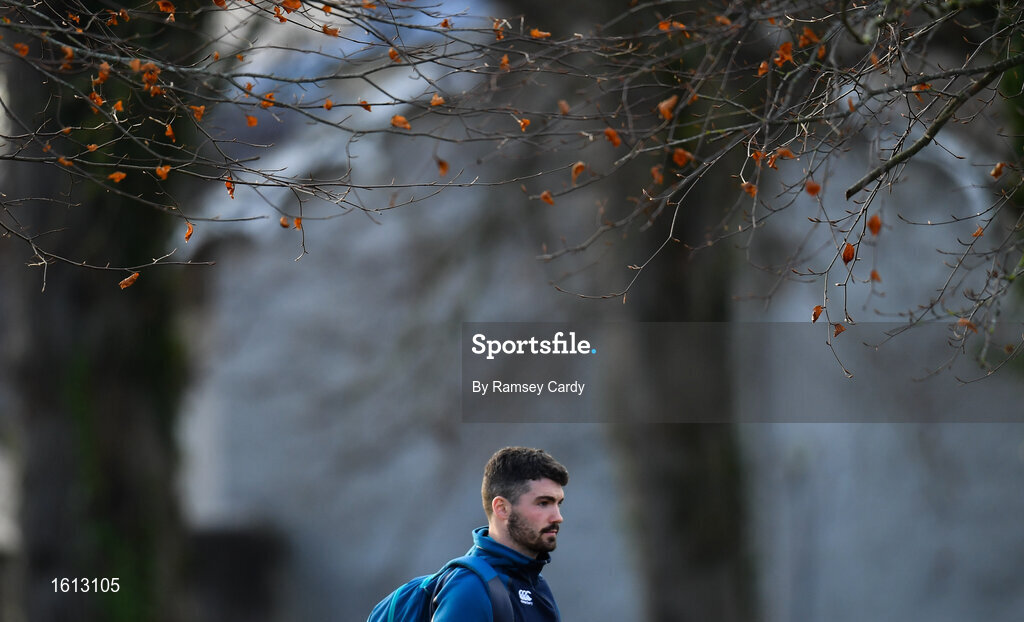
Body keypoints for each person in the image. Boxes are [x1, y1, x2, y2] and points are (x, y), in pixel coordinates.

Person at [431, 446, 569, 622]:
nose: (558, 517)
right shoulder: (471, 588)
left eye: (558, 503)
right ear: (502, 508)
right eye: (543, 503)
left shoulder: (539, 587)